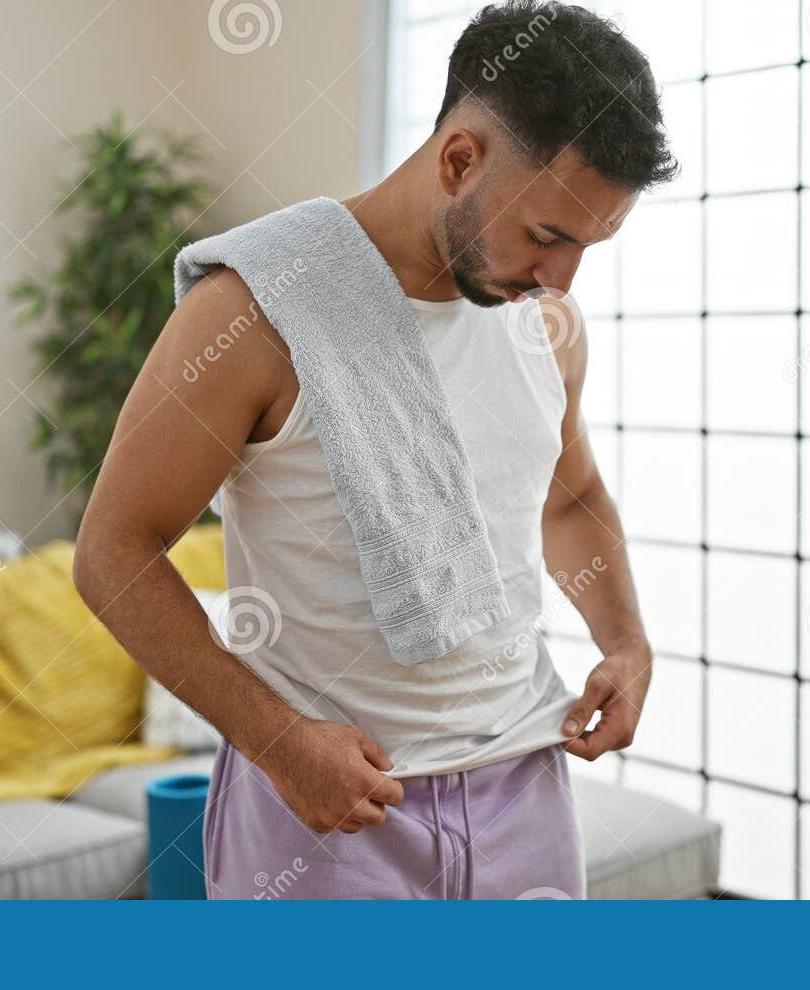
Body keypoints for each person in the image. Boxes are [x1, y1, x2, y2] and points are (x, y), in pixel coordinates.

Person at [73, 0, 677, 899]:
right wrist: (278, 743)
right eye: (548, 235)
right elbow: (112, 554)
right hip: (328, 811)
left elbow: (567, 497)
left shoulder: (547, 324)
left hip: (526, 788)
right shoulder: (250, 314)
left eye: (590, 245)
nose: (561, 280)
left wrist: (626, 642)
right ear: (459, 158)